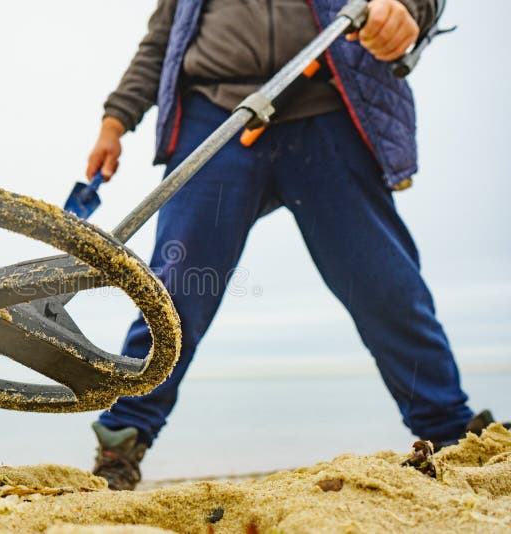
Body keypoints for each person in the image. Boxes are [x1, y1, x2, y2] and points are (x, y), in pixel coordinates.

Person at [84, 0, 507, 491]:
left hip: (328, 110)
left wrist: (406, 9)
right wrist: (115, 122)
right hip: (213, 117)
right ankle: (120, 445)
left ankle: (451, 433)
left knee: (387, 286)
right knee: (173, 295)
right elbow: (160, 43)